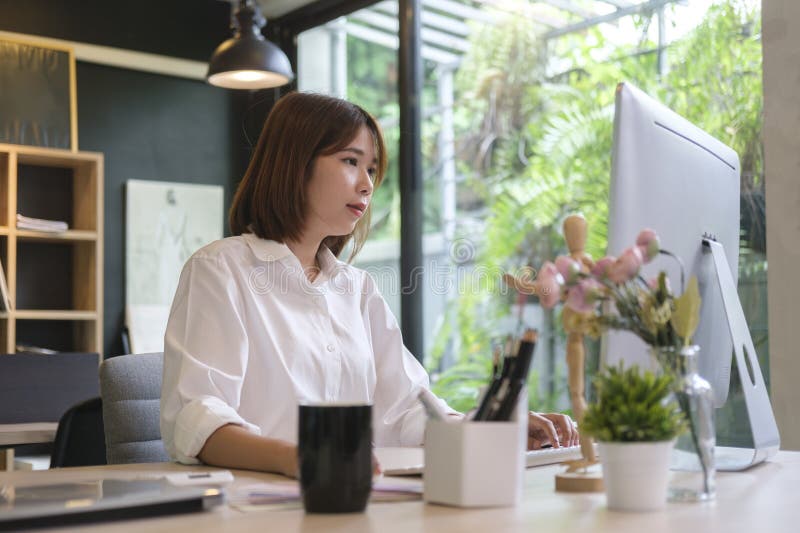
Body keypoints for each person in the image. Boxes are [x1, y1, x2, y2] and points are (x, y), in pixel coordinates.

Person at [160, 92, 578, 478]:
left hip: (356, 500)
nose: (367, 183)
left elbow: (407, 410)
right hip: (257, 508)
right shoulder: (221, 269)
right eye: (350, 161)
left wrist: (491, 427)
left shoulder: (356, 289)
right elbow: (198, 418)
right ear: (295, 160)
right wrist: (297, 459)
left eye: (372, 169)